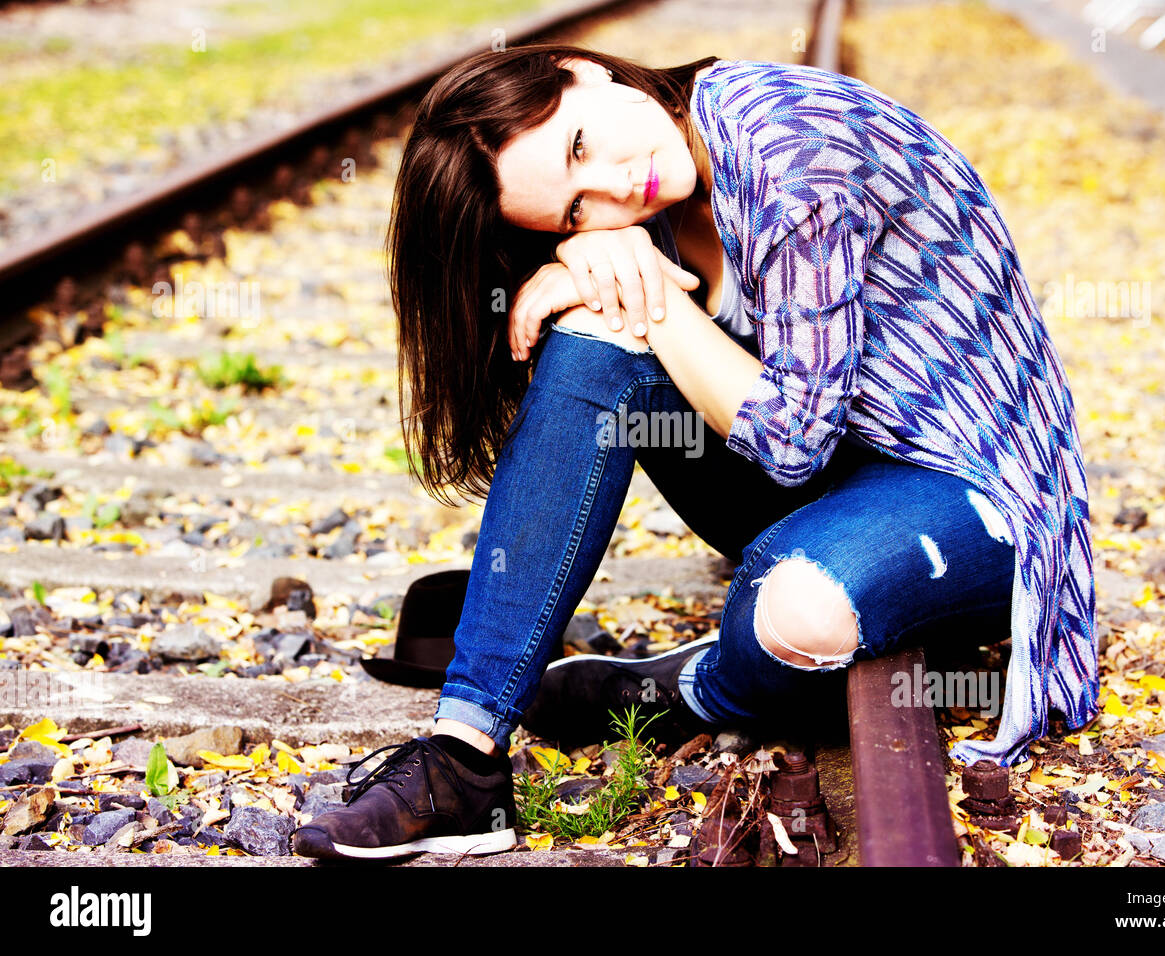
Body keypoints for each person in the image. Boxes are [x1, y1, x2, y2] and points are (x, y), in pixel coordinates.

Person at [291, 44, 1098, 862]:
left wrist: (630, 273)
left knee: (801, 614)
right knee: (594, 334)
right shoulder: (668, 171)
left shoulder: (788, 151)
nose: (613, 190)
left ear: (587, 70)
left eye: (578, 146)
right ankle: (463, 755)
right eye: (574, 211)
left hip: (968, 489)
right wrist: (600, 266)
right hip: (840, 470)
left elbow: (790, 441)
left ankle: (697, 687)